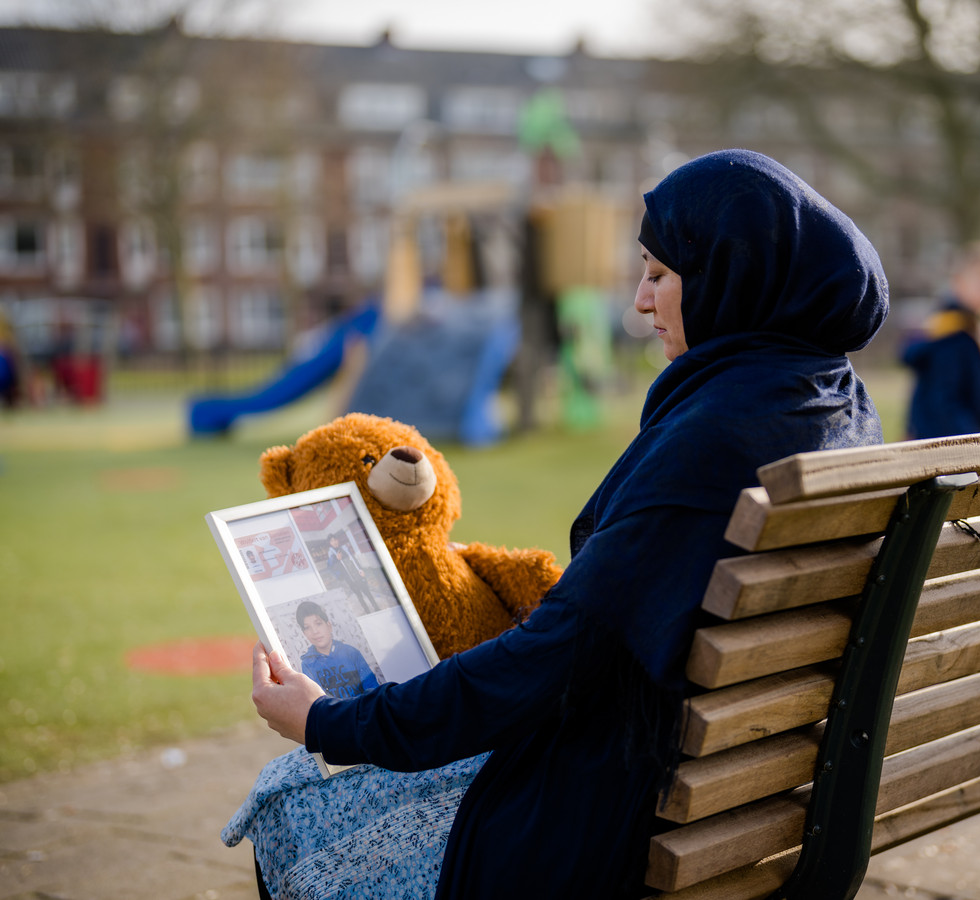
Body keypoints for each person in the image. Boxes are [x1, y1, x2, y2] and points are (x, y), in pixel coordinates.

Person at [238, 148, 889, 899]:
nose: (639, 305)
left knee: (290, 801)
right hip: (753, 787)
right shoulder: (834, 405)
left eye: (659, 275)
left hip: (609, 811)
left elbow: (556, 659)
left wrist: (335, 725)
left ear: (730, 279)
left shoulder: (714, 444)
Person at [900, 239, 980, 439]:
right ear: (958, 283)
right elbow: (945, 403)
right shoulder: (951, 333)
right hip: (945, 444)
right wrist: (975, 443)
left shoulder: (977, 329)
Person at [295, 601, 381, 700]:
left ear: (329, 626)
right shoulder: (307, 664)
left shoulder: (351, 653)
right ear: (304, 634)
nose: (315, 631)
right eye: (307, 628)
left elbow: (372, 687)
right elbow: (317, 700)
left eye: (318, 624)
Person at [325, 533, 378, 614]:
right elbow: (332, 568)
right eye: (332, 541)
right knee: (359, 596)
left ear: (337, 540)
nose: (334, 542)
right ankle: (367, 611)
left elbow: (354, 560)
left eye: (335, 539)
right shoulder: (331, 555)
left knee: (367, 592)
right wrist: (337, 560)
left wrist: (361, 570)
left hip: (357, 575)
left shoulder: (344, 548)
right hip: (349, 579)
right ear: (330, 543)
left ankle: (376, 607)